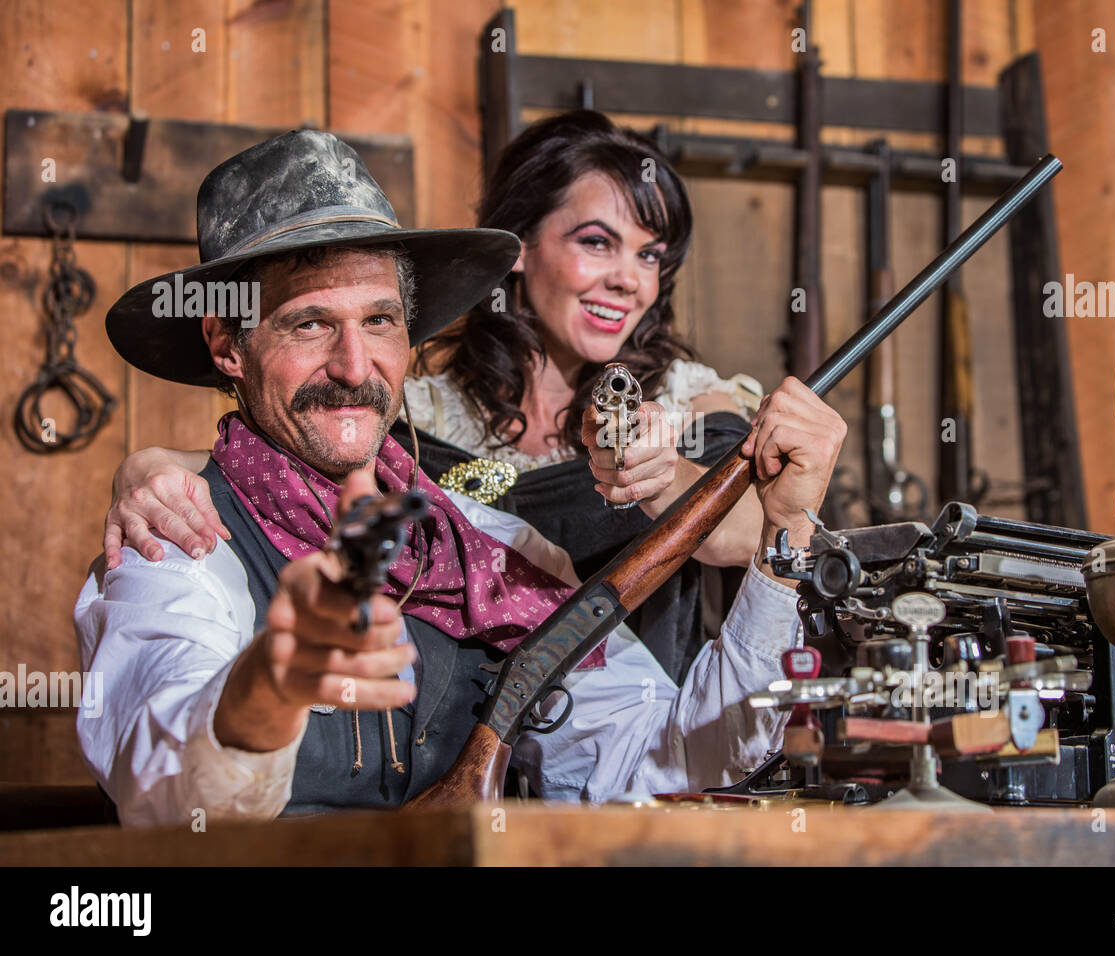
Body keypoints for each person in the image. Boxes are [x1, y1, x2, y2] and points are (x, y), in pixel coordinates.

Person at [75, 129, 847, 825]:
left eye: (379, 321)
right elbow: (165, 791)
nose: (353, 366)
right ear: (227, 346)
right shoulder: (173, 538)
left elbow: (666, 758)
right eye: (310, 323)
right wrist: (263, 694)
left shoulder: (489, 546)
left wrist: (787, 532)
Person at [102, 111, 765, 685]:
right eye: (597, 243)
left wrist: (664, 475)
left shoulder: (691, 401)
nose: (628, 280)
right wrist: (152, 465)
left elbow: (755, 534)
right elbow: (282, 469)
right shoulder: (418, 411)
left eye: (652, 256)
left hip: (638, 729)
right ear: (519, 249)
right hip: (459, 740)